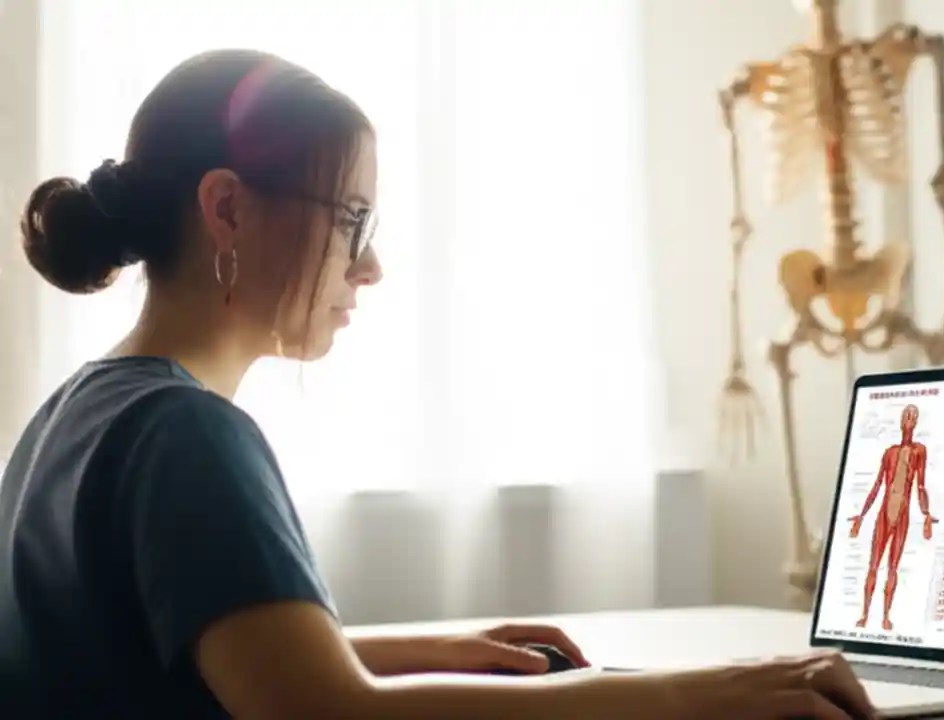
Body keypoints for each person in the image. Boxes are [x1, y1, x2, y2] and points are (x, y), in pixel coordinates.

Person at [0, 49, 878, 719]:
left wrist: (437, 648)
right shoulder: (186, 434)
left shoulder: (75, 414)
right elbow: (330, 714)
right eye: (351, 220)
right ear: (227, 206)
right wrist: (708, 696)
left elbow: (210, 658)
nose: (371, 265)